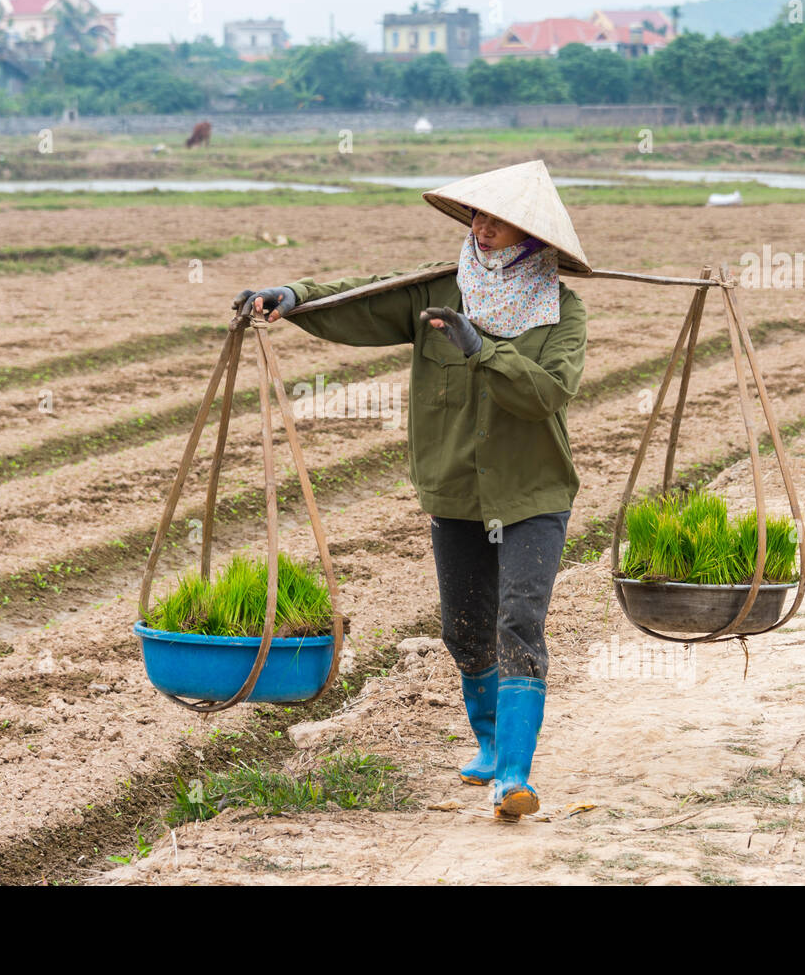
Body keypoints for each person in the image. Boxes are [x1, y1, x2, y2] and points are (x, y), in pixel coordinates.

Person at [233, 160, 588, 821]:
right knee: (465, 630)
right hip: (455, 490)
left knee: (520, 622)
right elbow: (361, 302)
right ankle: (487, 747)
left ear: (532, 237)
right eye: (476, 217)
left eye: (497, 221)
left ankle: (514, 774)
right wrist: (292, 294)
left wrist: (484, 348)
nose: (481, 230)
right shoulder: (436, 294)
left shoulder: (562, 311)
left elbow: (549, 394)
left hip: (532, 491)